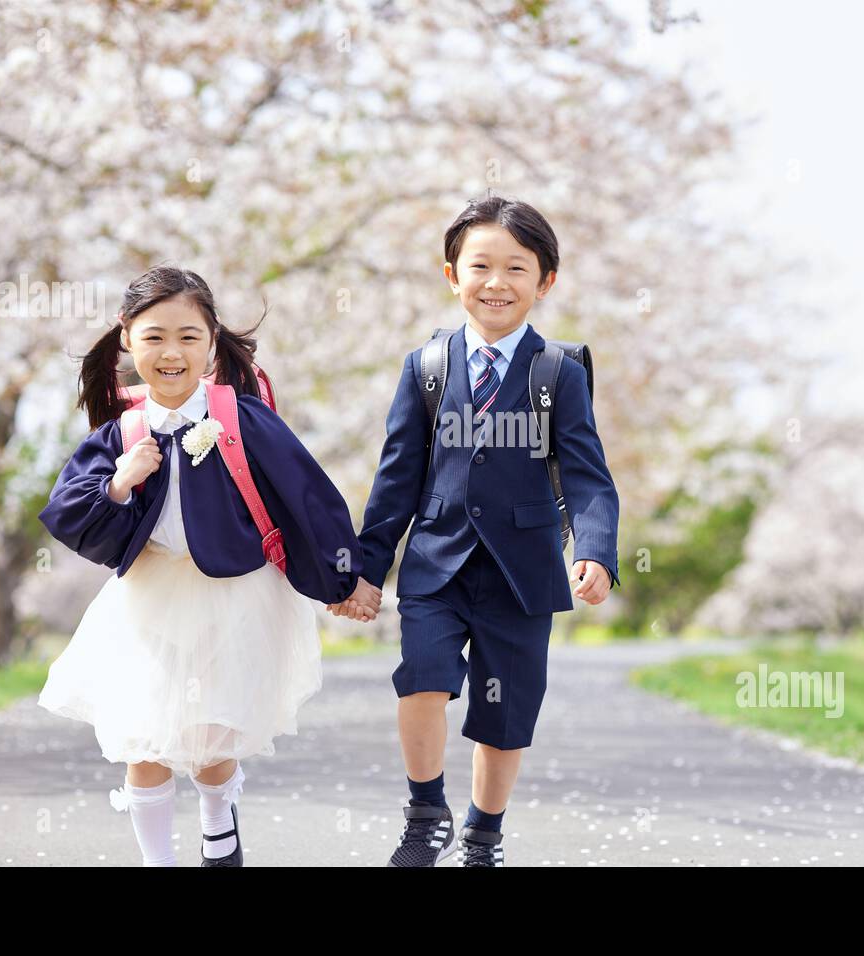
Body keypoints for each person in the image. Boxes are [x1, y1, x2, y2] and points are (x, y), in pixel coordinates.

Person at [37, 265, 381, 866]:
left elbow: (306, 497)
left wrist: (344, 578)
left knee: (211, 735)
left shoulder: (240, 419)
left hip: (236, 597)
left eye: (189, 336)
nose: (171, 352)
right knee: (143, 737)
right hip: (147, 598)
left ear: (212, 338)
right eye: (154, 337)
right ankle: (157, 861)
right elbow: (70, 511)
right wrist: (120, 483)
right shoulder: (122, 431)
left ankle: (218, 820)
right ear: (126, 337)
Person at [329, 196, 620, 866]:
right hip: (437, 563)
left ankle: (484, 833)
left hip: (524, 570)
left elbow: (587, 476)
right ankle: (425, 810)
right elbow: (396, 479)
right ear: (451, 276)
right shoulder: (425, 369)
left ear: (544, 282)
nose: (497, 282)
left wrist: (596, 550)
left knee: (505, 712)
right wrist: (370, 568)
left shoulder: (560, 372)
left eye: (516, 268)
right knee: (422, 678)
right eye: (480, 265)